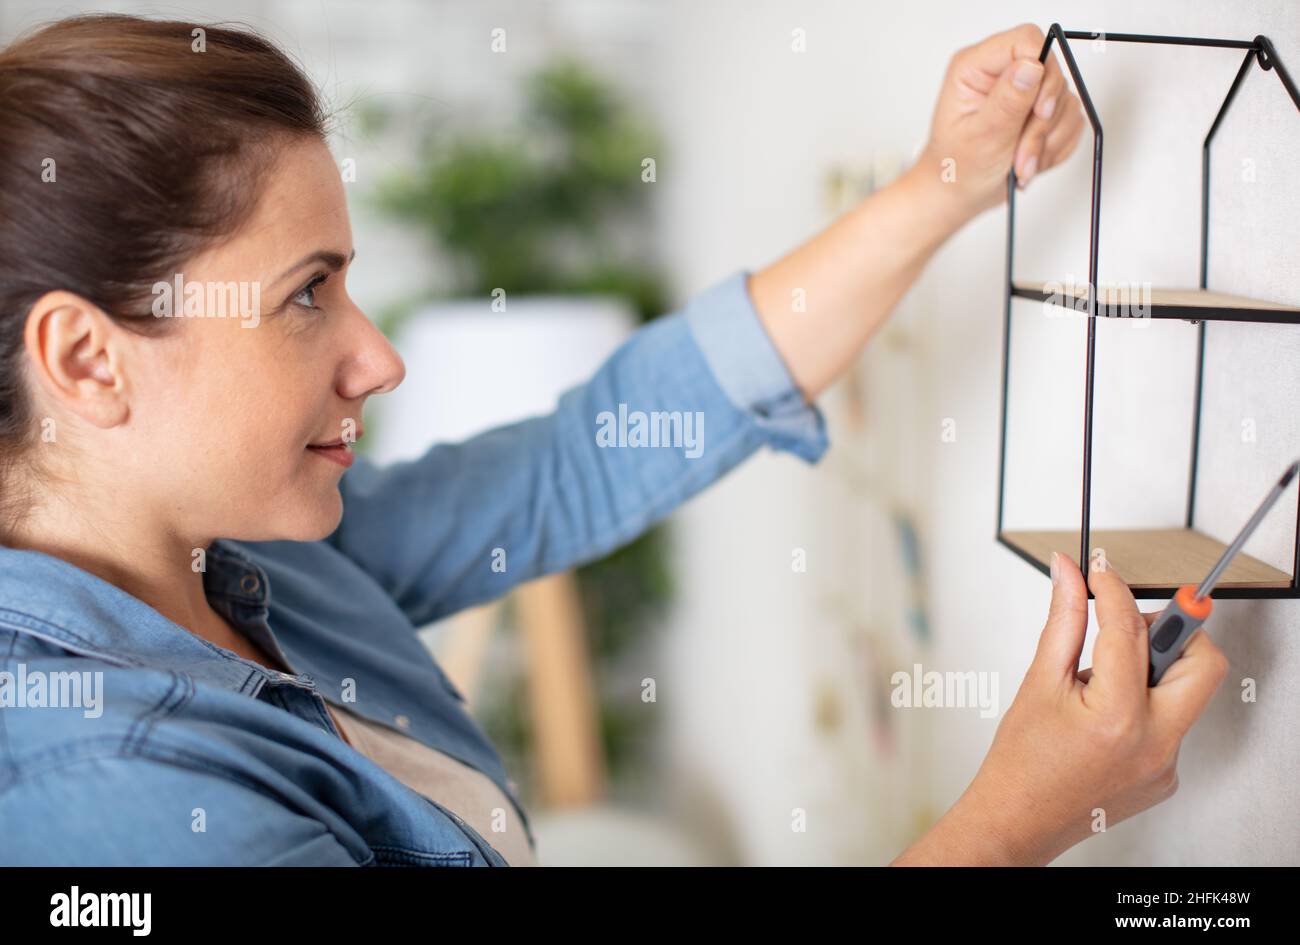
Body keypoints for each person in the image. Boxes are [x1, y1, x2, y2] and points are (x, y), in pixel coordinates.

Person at [0, 14, 1225, 866]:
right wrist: (1021, 819)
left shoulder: (248, 548)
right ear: (87, 360)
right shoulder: (114, 799)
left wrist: (944, 183)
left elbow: (591, 451)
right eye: (307, 291)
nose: (378, 358)